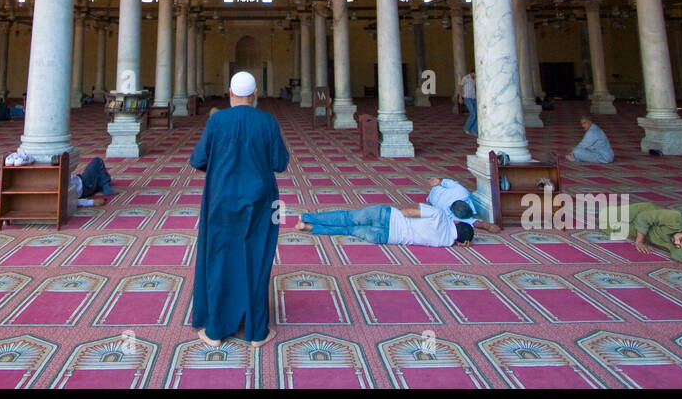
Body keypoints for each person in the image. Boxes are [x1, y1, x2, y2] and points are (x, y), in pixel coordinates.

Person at [188, 71, 290, 349]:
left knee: (220, 257)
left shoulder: (217, 120)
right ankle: (257, 332)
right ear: (255, 93)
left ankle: (216, 331)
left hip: (221, 201)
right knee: (257, 258)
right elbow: (280, 163)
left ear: (229, 93)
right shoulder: (267, 121)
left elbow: (198, 159)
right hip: (261, 202)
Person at [293, 202, 496, 246]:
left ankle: (308, 218)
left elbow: (408, 212)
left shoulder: (441, 215)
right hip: (385, 238)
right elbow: (457, 240)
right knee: (348, 229)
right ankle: (310, 228)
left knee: (347, 217)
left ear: (457, 221)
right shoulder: (444, 242)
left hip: (386, 216)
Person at [604, 201, 682, 263]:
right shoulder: (676, 218)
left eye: (678, 245)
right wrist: (639, 242)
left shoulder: (678, 245)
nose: (675, 242)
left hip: (639, 231)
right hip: (640, 213)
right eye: (680, 239)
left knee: (607, 227)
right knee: (606, 216)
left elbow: (678, 255)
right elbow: (643, 217)